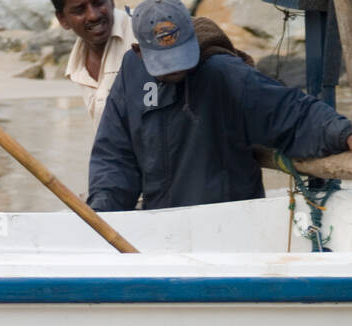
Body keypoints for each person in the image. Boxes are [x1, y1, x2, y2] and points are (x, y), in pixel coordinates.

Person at [88, 0, 352, 212]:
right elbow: (114, 156)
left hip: (228, 222)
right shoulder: (131, 72)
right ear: (139, 51)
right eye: (164, 64)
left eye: (180, 57)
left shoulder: (224, 71)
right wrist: (101, 211)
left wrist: (343, 133)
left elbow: (293, 114)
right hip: (162, 222)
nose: (176, 69)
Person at [57, 0, 138, 129]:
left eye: (98, 3)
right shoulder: (77, 67)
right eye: (79, 10)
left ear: (111, 2)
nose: (93, 16)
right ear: (62, 20)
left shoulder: (144, 29)